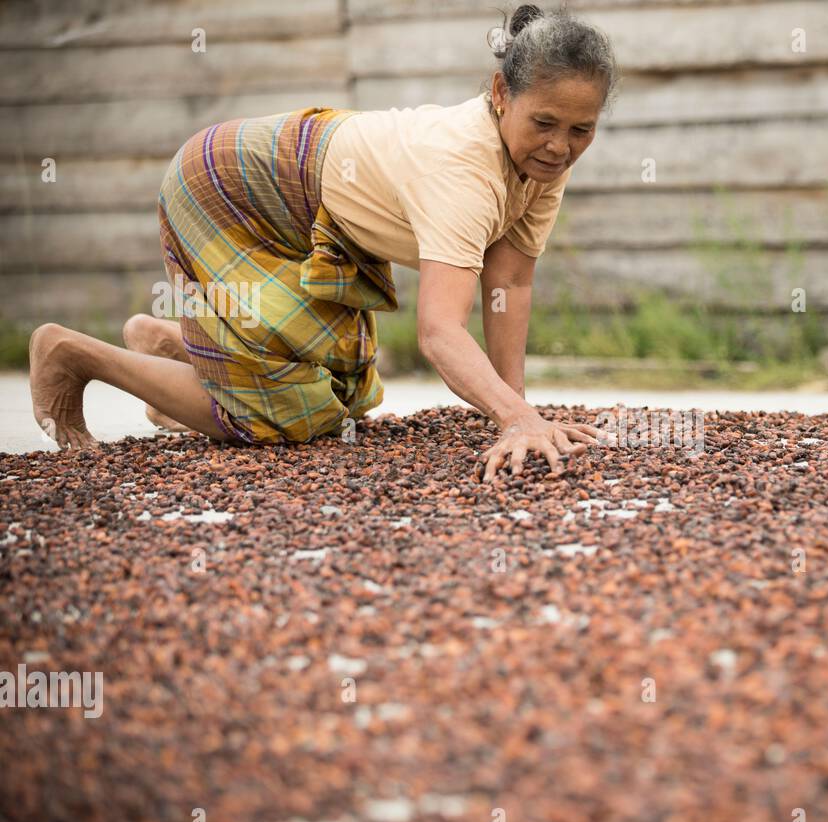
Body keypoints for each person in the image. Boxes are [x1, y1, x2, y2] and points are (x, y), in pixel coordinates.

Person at [27, 4, 618, 482]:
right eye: (544, 123)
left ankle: (172, 349)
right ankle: (74, 355)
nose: (561, 146)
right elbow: (440, 332)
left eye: (581, 130)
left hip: (317, 208)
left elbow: (508, 283)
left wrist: (518, 414)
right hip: (230, 186)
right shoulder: (463, 168)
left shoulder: (540, 165)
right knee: (285, 417)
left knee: (341, 390)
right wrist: (515, 418)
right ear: (500, 93)